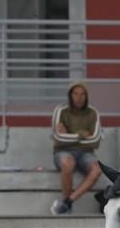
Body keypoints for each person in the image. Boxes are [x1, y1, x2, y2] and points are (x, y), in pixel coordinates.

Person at [50, 82, 103, 215]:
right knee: (68, 163)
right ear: (70, 95)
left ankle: (67, 202)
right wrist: (82, 135)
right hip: (62, 152)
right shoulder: (60, 110)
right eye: (75, 94)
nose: (79, 97)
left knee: (97, 170)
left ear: (86, 96)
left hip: (86, 153)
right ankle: (67, 207)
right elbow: (57, 138)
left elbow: (95, 140)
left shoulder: (93, 113)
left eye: (82, 94)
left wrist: (68, 135)